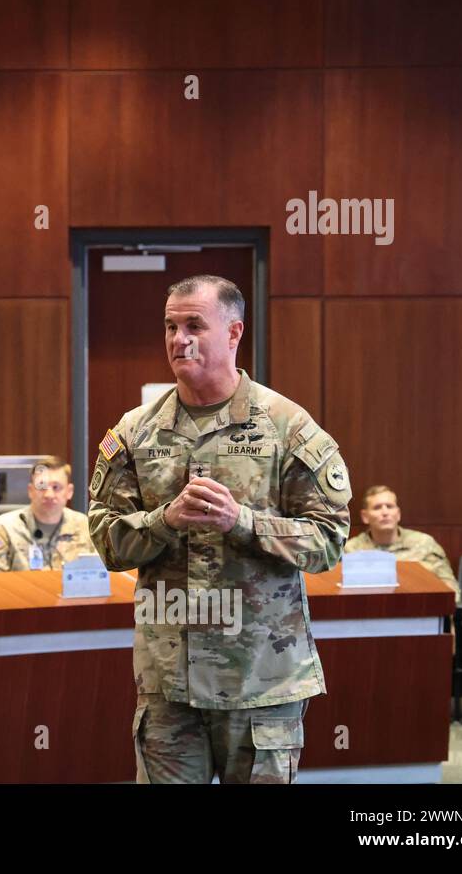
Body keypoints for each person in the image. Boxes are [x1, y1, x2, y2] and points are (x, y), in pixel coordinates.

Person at [88, 274, 350, 784]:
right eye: (169, 326)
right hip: (169, 685)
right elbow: (106, 541)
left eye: (193, 325)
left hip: (260, 682)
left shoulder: (286, 427)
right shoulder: (136, 431)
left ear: (233, 334)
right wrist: (165, 521)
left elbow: (328, 539)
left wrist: (243, 523)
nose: (177, 339)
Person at [0, 456, 96, 571]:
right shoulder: (4, 528)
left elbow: (106, 575)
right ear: (30, 491)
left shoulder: (86, 527)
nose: (49, 495)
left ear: (69, 491)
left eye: (56, 487)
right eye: (41, 487)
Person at [345, 485, 458, 597]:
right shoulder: (351, 550)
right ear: (365, 516)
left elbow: (451, 590)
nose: (385, 513)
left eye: (389, 506)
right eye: (377, 507)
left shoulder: (424, 543)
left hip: (420, 610)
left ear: (398, 514)